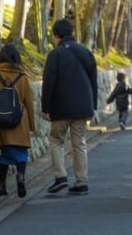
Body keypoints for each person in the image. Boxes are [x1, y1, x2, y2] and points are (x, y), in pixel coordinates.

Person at [42, 18, 98, 196]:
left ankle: (61, 176)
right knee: (79, 143)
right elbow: (93, 81)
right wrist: (92, 106)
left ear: (57, 35)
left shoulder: (55, 54)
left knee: (56, 140)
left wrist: (46, 107)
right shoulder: (85, 52)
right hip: (83, 107)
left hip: (61, 107)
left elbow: (49, 82)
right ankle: (82, 182)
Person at [0, 44, 36, 198]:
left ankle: (1, 185)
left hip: (1, 121)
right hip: (19, 121)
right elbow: (29, 103)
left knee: (5, 154)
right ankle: (20, 176)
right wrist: (31, 125)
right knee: (21, 153)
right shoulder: (23, 77)